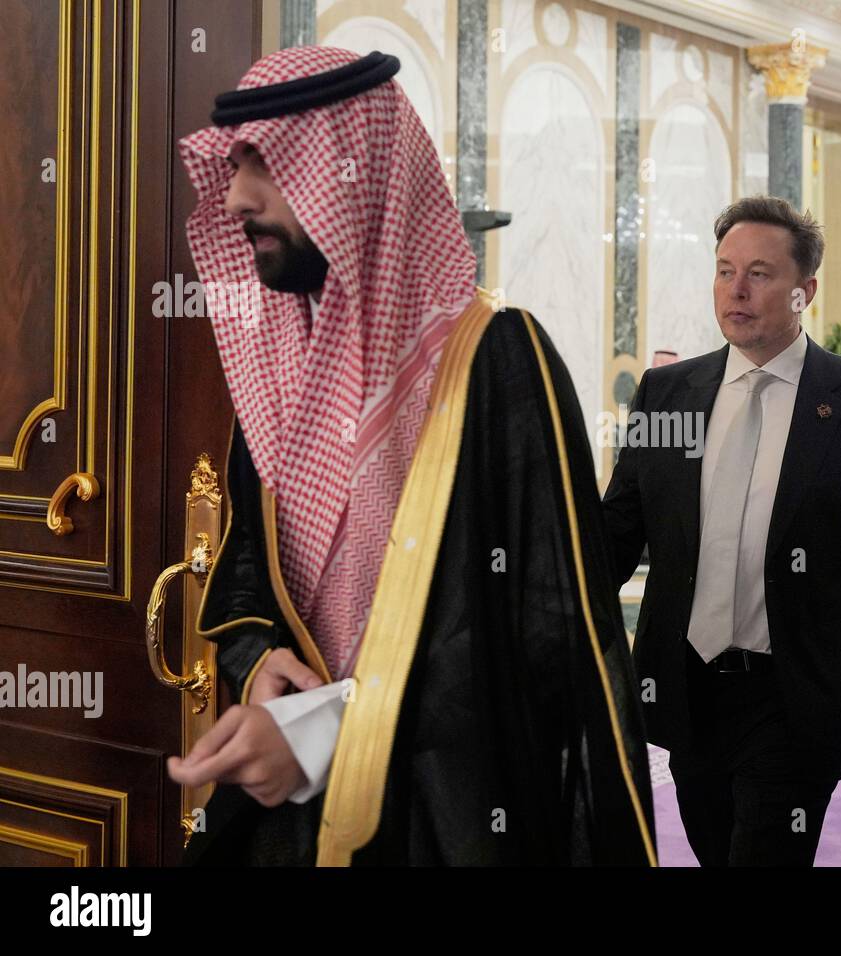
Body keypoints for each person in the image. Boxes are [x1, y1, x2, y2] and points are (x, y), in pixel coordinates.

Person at [167, 45, 656, 867]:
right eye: (233, 165)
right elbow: (243, 568)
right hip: (288, 814)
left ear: (352, 176)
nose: (238, 197)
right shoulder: (277, 366)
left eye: (266, 164)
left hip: (450, 814)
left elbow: (546, 634)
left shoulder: (499, 360)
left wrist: (328, 731)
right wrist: (256, 665)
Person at [602, 196, 841, 867]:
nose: (737, 290)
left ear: (805, 292)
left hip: (795, 698)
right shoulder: (666, 393)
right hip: (688, 692)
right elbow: (615, 537)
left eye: (760, 274)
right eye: (725, 270)